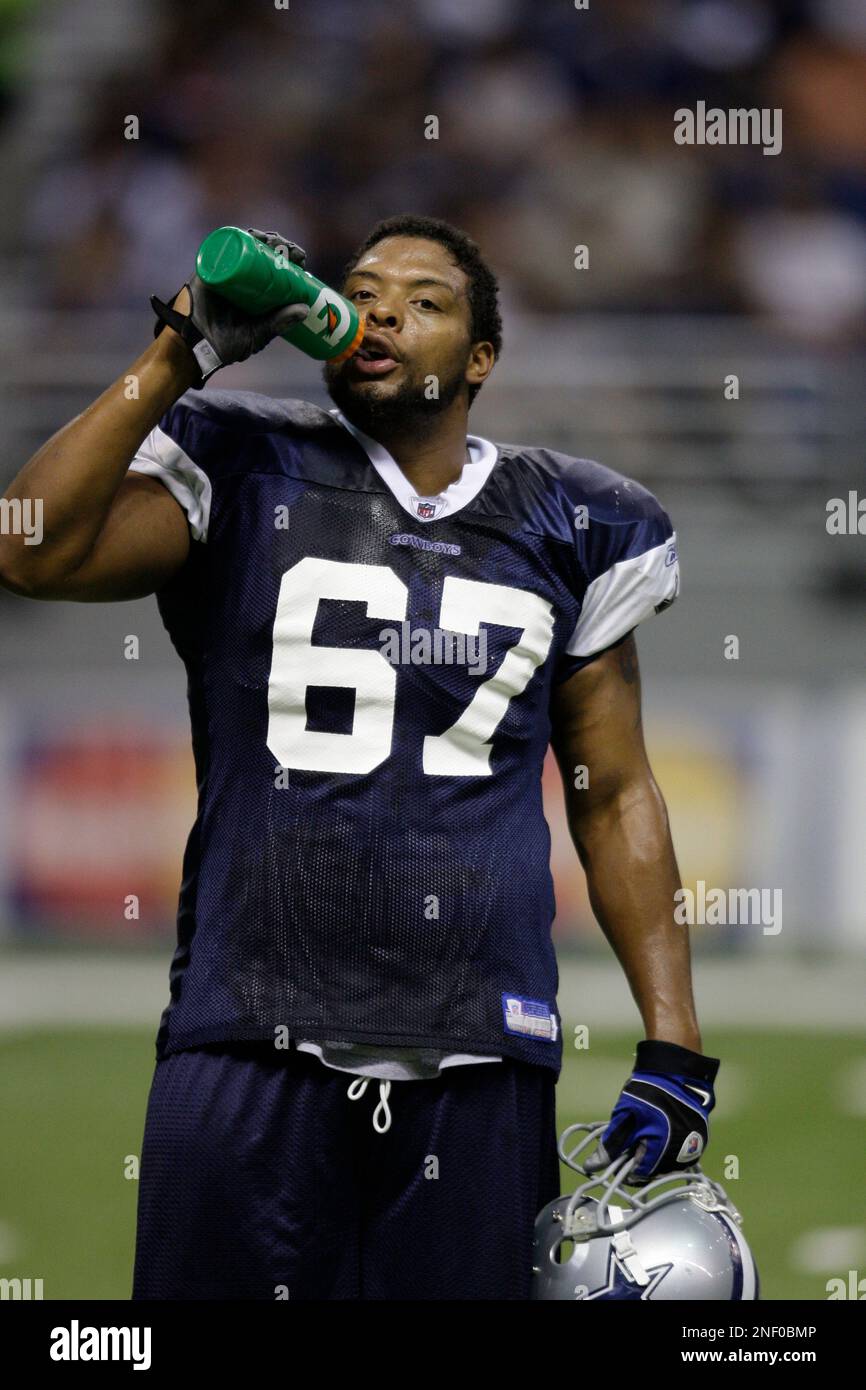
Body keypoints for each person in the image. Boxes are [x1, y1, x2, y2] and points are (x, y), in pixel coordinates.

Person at [0, 215, 719, 1301]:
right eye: (360, 289)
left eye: (423, 300)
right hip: (246, 1031)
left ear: (480, 360)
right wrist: (179, 349)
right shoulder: (243, 463)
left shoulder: (574, 519)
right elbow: (29, 542)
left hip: (478, 1053)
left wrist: (673, 1045)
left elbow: (611, 790)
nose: (380, 310)